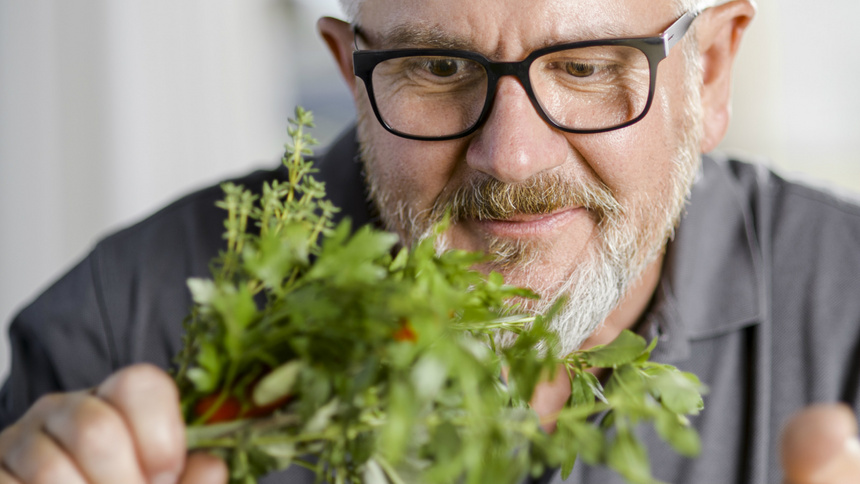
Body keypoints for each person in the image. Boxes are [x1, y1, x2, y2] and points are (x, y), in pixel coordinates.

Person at [1, 0, 859, 482]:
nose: (510, 155)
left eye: (588, 67)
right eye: (438, 69)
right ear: (351, 75)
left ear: (707, 74)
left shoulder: (847, 314)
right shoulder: (120, 327)